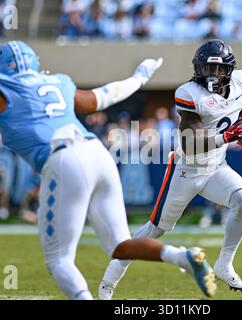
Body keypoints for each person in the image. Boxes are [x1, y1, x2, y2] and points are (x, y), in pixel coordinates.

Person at [0, 41, 216, 300]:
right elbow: (102, 97)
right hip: (97, 153)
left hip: (63, 157)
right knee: (120, 245)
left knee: (59, 259)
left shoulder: (6, 87)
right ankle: (182, 256)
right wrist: (139, 78)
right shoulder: (58, 82)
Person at [101, 39, 242, 299]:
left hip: (217, 167)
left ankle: (224, 264)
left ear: (229, 71)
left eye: (218, 69)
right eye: (206, 69)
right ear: (197, 69)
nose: (212, 75)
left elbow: (240, 108)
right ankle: (109, 279)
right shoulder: (189, 93)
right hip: (187, 169)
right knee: (156, 228)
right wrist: (228, 136)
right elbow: (191, 143)